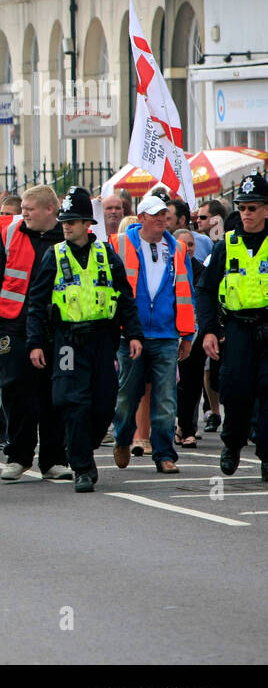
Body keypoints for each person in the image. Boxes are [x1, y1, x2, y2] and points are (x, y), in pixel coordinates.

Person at [26, 187, 144, 493]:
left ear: (87, 224)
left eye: (73, 221)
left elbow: (126, 298)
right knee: (72, 401)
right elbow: (36, 303)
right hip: (67, 340)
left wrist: (133, 334)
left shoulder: (107, 255)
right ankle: (80, 467)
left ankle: (84, 445)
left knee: (104, 403)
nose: (66, 225)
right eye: (64, 221)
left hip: (103, 338)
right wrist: (36, 342)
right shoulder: (54, 256)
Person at [0, 185, 71, 481]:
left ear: (50, 209)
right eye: (22, 208)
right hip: (15, 327)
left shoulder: (66, 237)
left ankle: (53, 459)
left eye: (30, 209)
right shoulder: (9, 235)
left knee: (55, 395)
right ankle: (18, 456)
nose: (23, 213)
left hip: (57, 330)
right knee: (15, 391)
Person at [109, 195, 195, 474]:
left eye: (164, 214)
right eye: (154, 214)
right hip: (131, 335)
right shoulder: (119, 243)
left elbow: (185, 292)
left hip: (166, 334)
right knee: (127, 397)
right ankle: (122, 438)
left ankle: (164, 454)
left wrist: (187, 335)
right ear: (141, 217)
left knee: (166, 398)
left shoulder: (178, 249)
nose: (160, 218)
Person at [196, 172, 268, 481]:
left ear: (266, 209)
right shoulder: (227, 244)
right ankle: (233, 443)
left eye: (253, 208)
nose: (247, 214)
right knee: (236, 389)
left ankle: (266, 454)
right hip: (238, 329)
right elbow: (205, 289)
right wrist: (209, 329)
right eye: (242, 208)